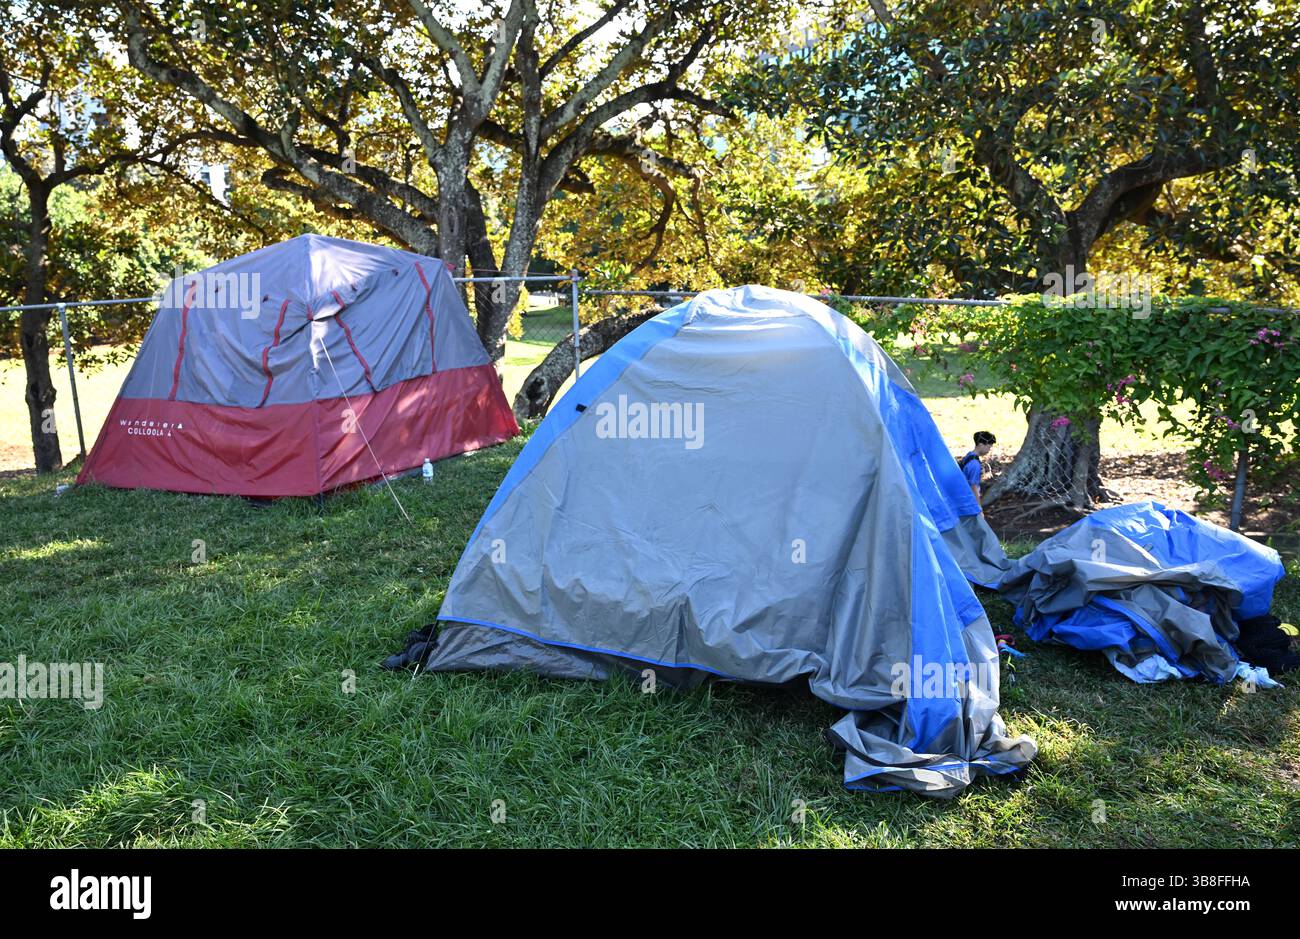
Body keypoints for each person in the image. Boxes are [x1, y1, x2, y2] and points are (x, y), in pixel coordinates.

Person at [958, 431, 996, 505]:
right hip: (969, 503)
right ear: (981, 445)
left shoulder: (969, 455)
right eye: (989, 447)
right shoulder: (975, 464)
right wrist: (979, 507)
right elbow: (974, 486)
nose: (989, 450)